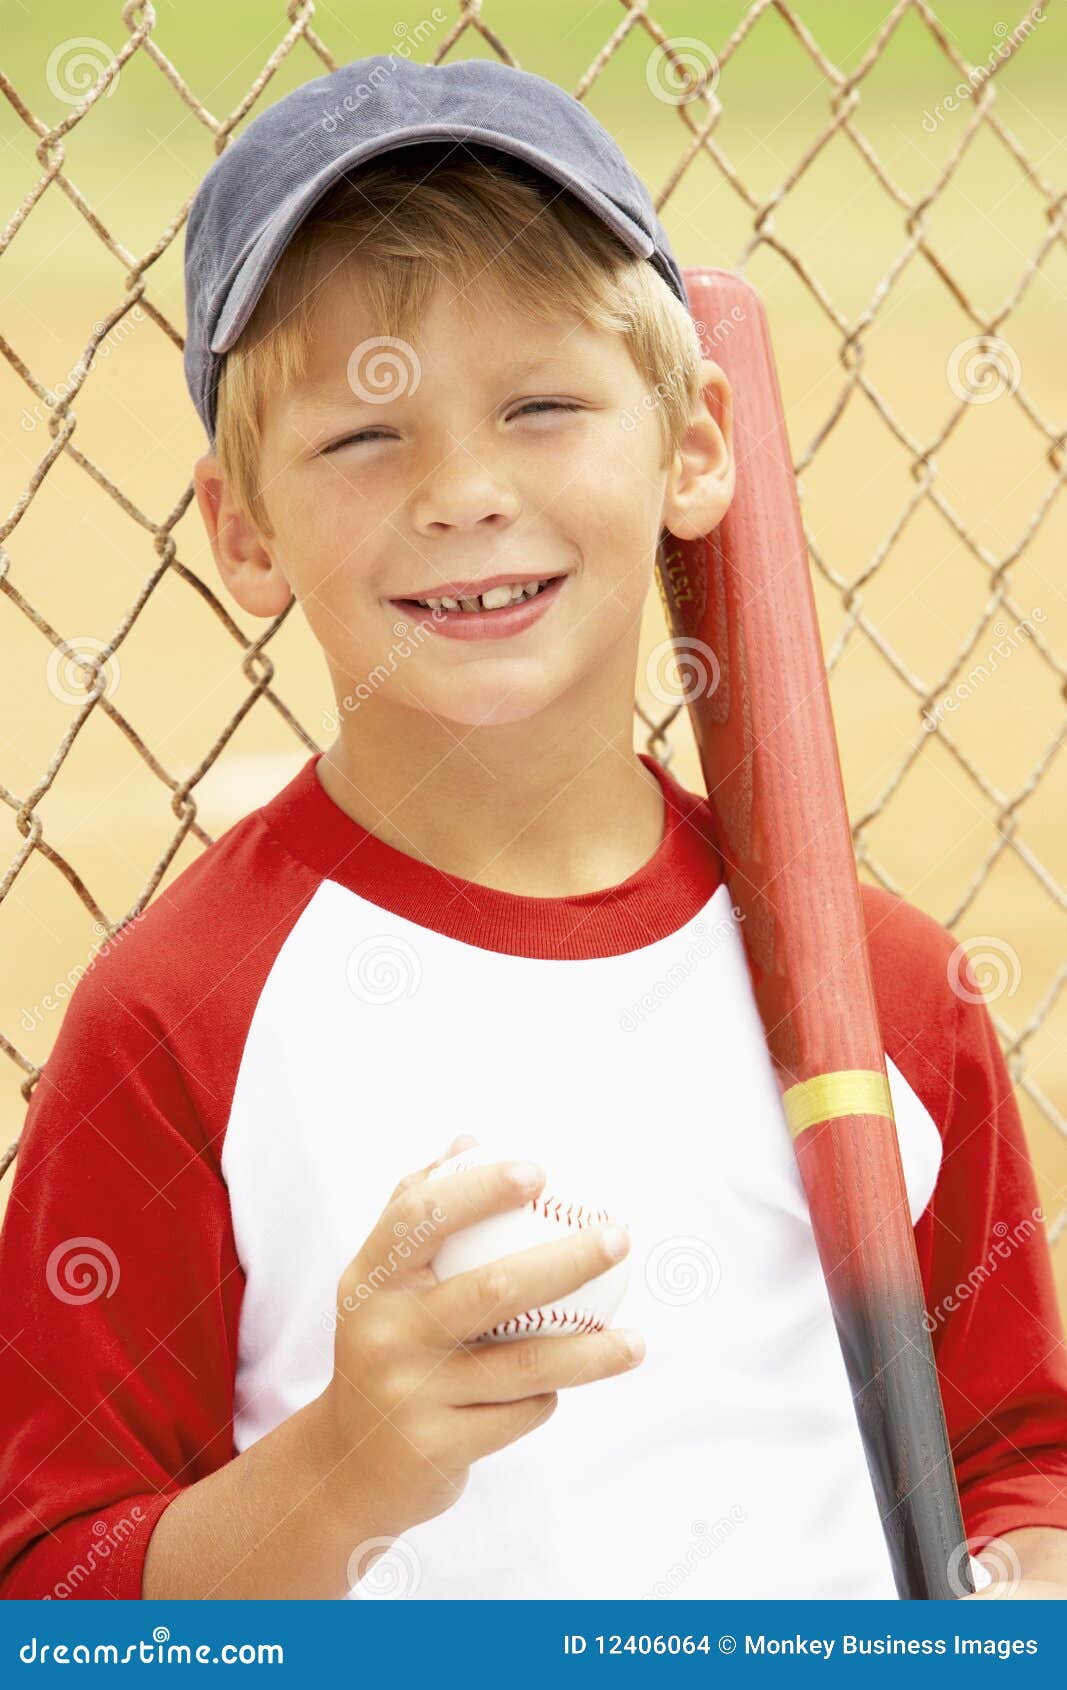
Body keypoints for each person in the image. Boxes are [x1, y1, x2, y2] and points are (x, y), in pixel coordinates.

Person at [1, 54, 1066, 1602]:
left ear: (696, 444)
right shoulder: (181, 1022)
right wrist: (339, 1473)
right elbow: (55, 1603)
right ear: (243, 529)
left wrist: (1025, 1572)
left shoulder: (890, 992)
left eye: (543, 404)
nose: (464, 488)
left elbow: (1016, 1449)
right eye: (364, 435)